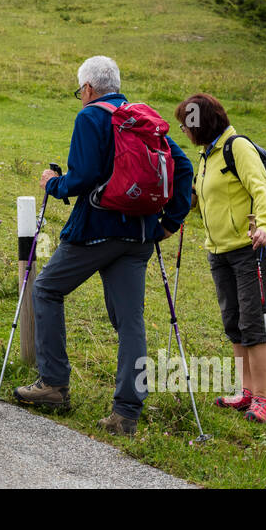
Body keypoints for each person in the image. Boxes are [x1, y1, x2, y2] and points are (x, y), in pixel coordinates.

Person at [14, 56, 193, 437]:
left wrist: (52, 184)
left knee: (47, 288)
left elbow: (83, 178)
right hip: (140, 236)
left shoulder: (90, 117)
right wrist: (170, 223)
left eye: (80, 91)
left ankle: (54, 385)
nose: (81, 97)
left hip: (95, 232)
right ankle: (126, 414)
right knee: (131, 322)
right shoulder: (141, 118)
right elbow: (184, 167)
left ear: (89, 89)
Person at [173, 93, 266, 423]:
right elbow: (204, 196)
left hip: (249, 249)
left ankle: (262, 399)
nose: (183, 131)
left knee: (252, 322)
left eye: (185, 124)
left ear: (200, 123)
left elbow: (261, 189)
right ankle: (244, 392)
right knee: (233, 323)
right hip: (218, 251)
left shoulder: (237, 148)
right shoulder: (207, 154)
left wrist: (264, 226)